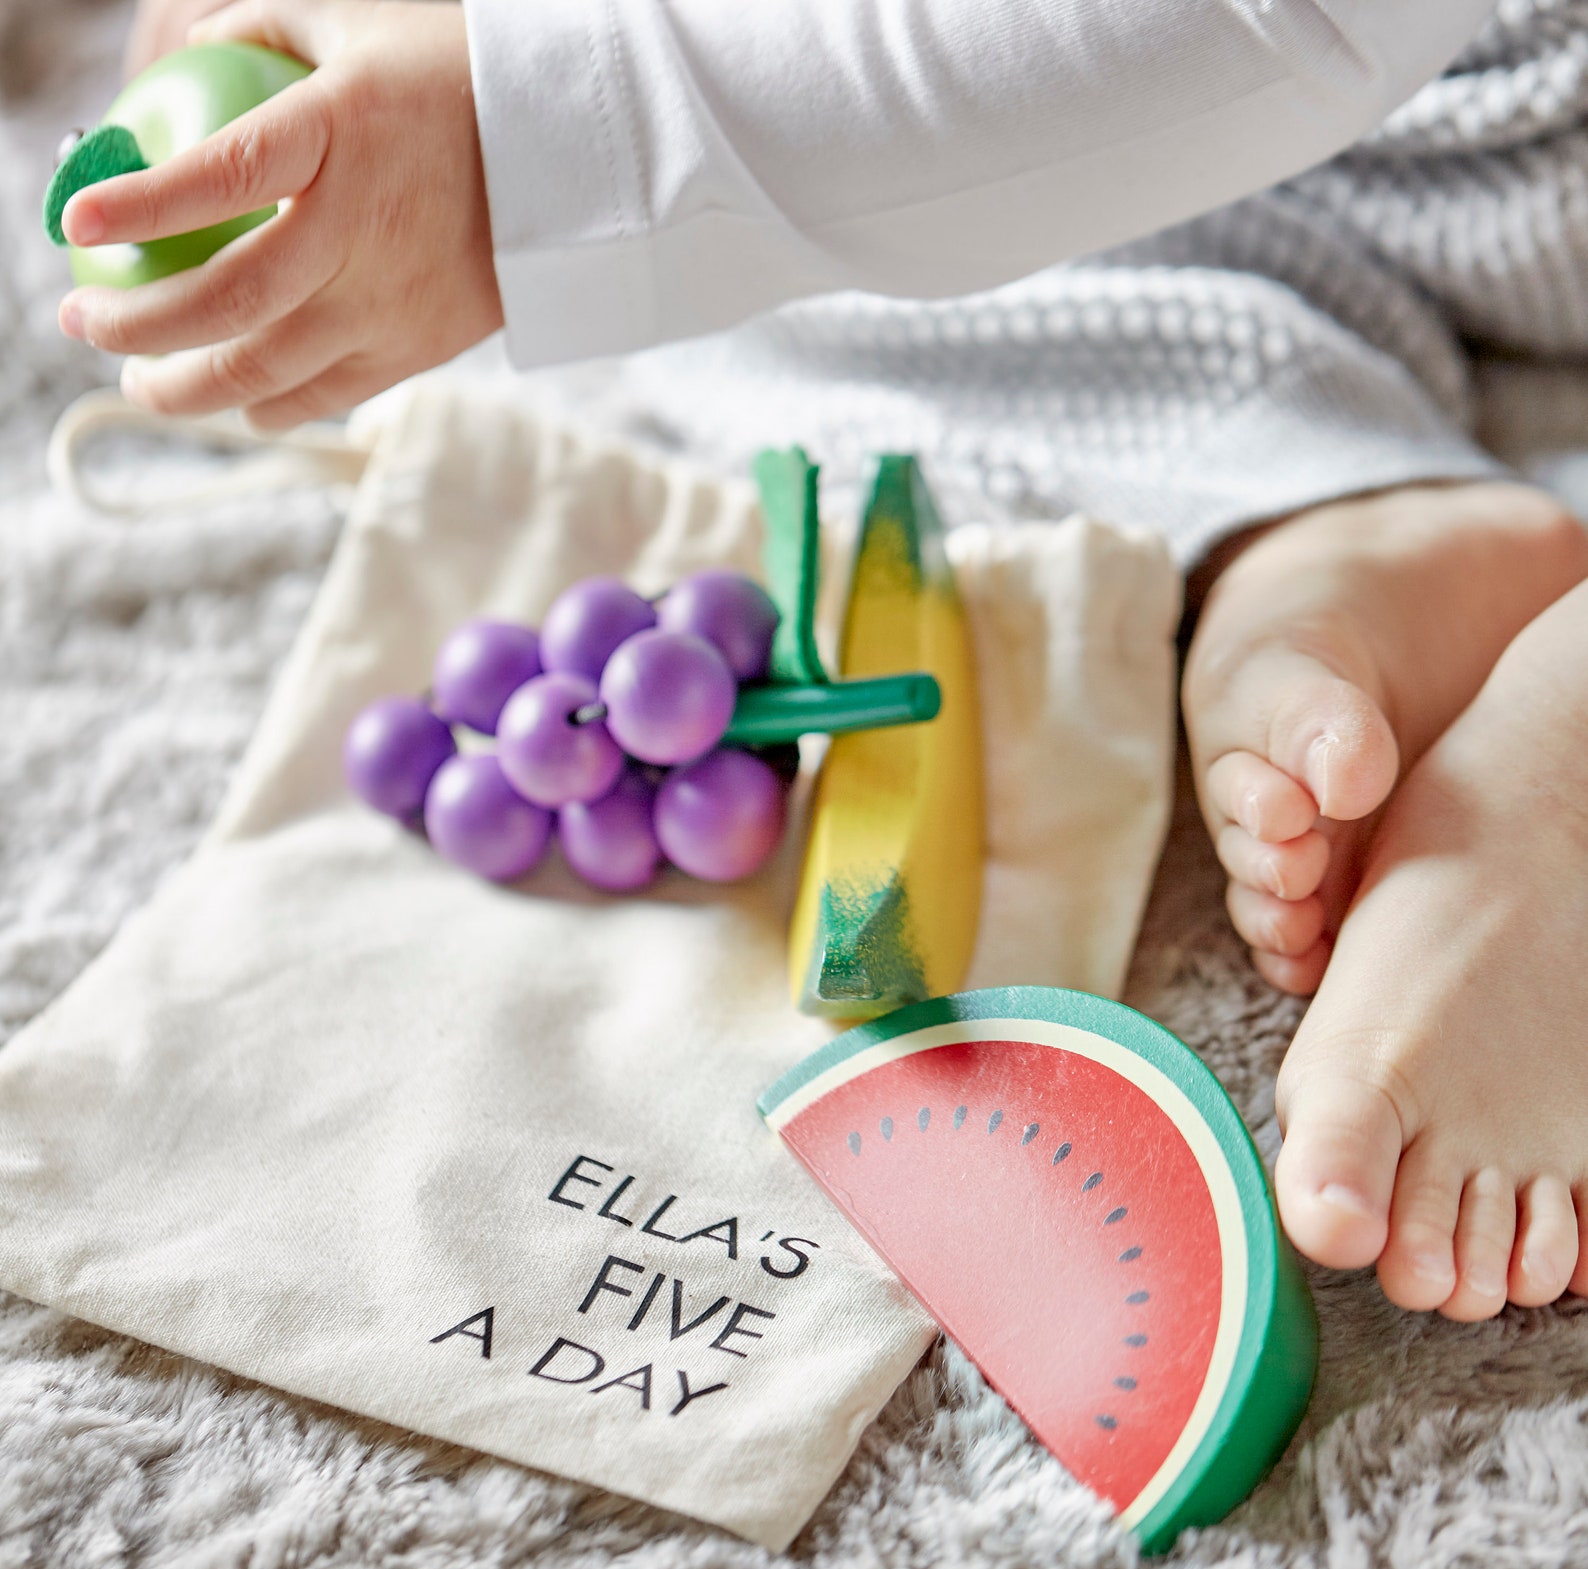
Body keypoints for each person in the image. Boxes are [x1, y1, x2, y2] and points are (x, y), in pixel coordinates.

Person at [56, 0, 1588, 1322]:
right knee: (701, 275)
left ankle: (1560, 775)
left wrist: (511, 154)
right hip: (1171, 144)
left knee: (646, 200)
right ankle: (1330, 509)